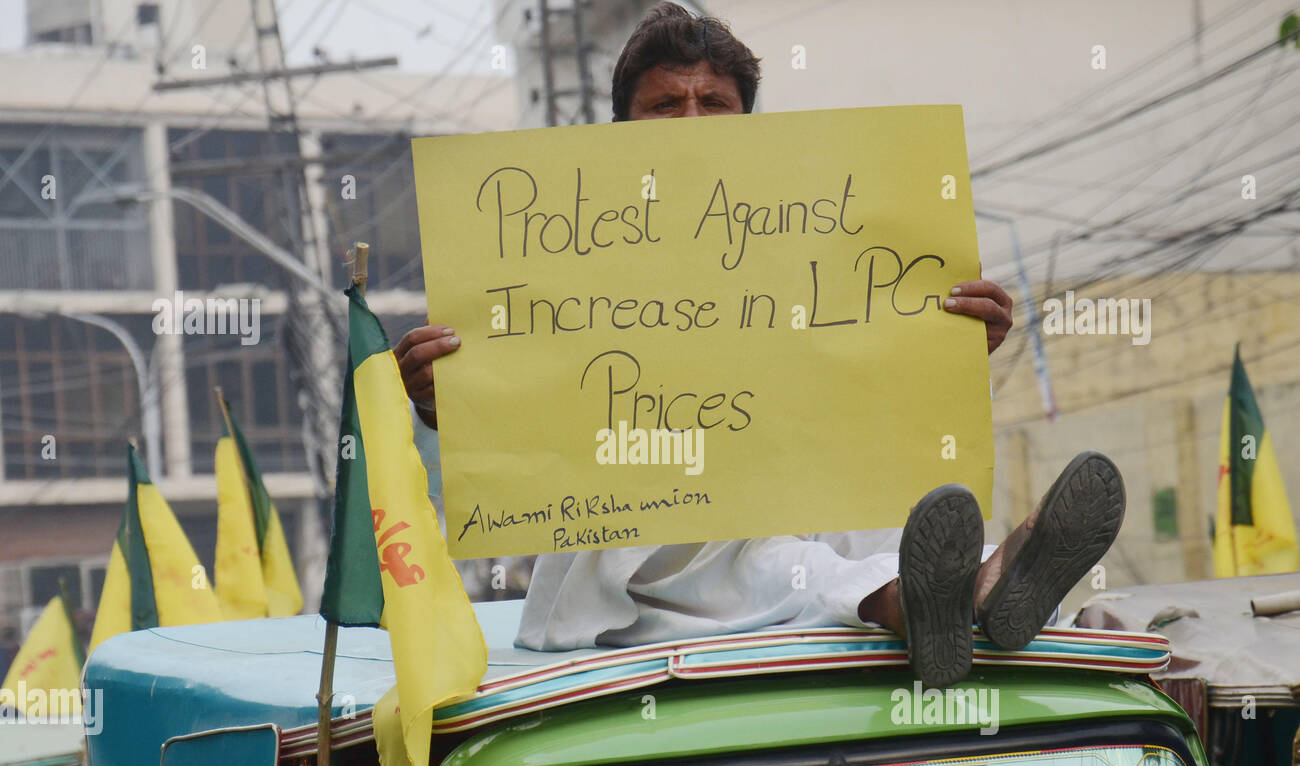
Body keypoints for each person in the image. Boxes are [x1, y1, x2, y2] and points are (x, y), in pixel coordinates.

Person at [397, 2, 1124, 687]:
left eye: (712, 103)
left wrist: (956, 344)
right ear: (618, 129)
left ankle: (973, 594)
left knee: (904, 505)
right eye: (664, 104)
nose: (690, 120)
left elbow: (879, 374)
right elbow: (521, 413)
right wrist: (446, 401)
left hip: (804, 496)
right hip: (657, 538)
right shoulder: (550, 250)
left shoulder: (823, 227)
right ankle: (919, 602)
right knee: (750, 558)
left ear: (746, 121)